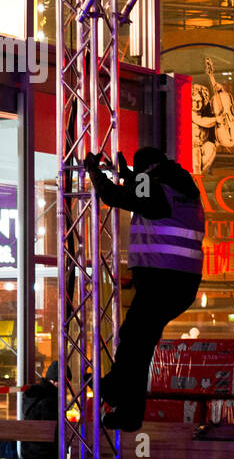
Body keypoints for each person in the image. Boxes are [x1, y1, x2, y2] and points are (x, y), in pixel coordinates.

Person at [84, 146, 204, 431]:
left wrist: (94, 172)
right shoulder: (180, 186)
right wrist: (127, 174)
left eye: (138, 173)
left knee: (133, 337)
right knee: (139, 343)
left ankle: (114, 389)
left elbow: (114, 196)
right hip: (179, 282)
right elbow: (144, 194)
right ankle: (128, 410)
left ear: (147, 170)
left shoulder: (158, 187)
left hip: (163, 280)